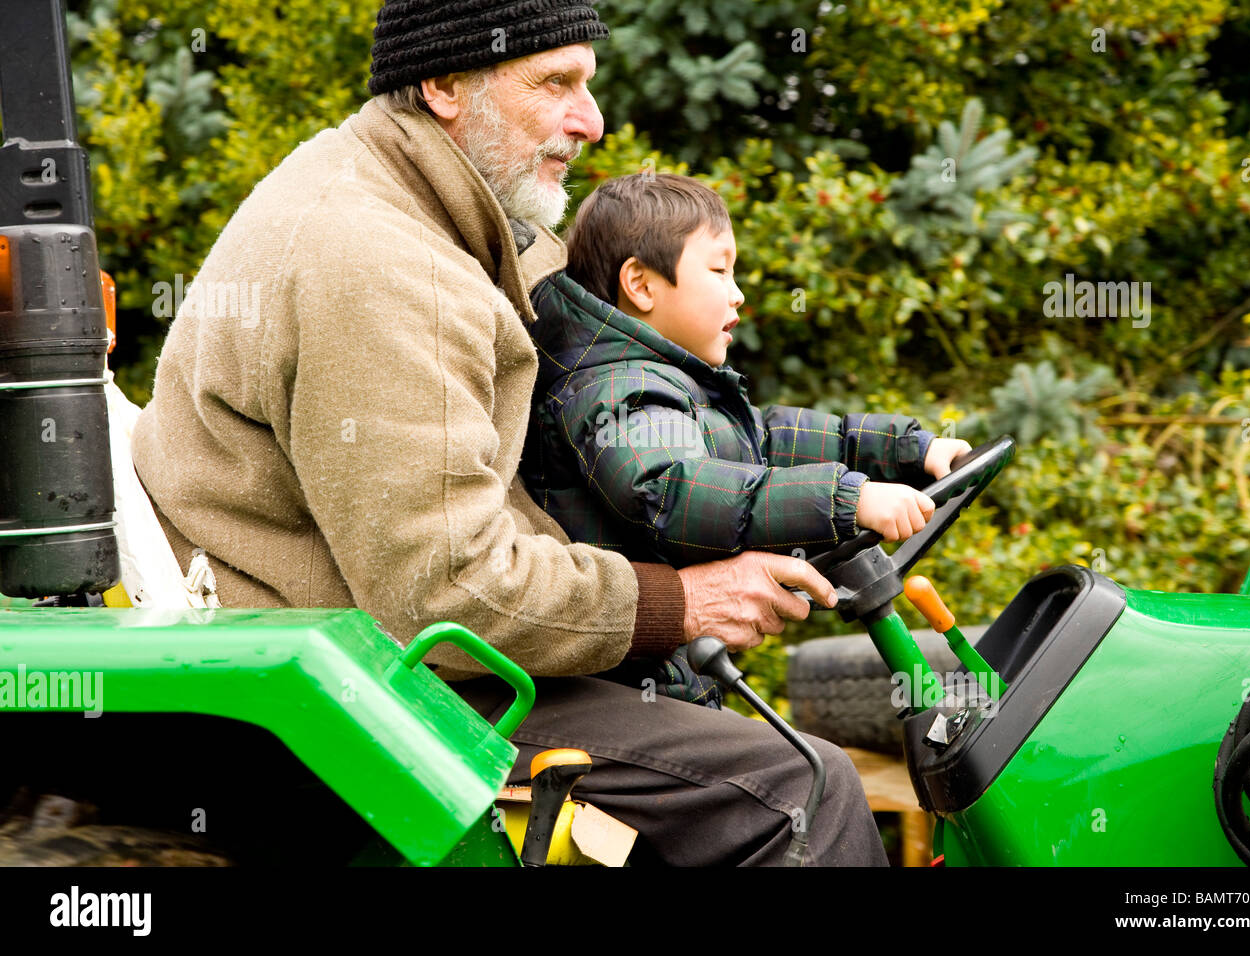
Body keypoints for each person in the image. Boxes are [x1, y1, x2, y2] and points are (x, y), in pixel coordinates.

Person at [130, 0, 884, 865]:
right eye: (555, 83)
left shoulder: (421, 202)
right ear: (445, 83)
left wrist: (860, 460)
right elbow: (451, 592)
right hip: (370, 689)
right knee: (800, 789)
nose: (592, 122)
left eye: (588, 84)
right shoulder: (382, 267)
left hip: (372, 650)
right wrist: (685, 603)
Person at [521, 173, 971, 705]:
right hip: (616, 691)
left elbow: (767, 440)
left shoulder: (667, 384)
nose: (738, 293)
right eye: (719, 271)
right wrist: (849, 500)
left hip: (669, 681)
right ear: (640, 285)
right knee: (818, 780)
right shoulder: (615, 388)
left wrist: (907, 449)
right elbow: (671, 490)